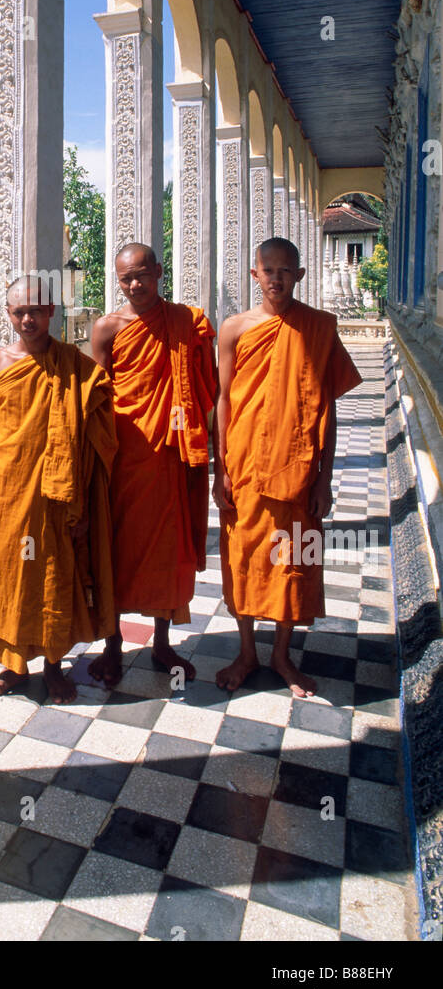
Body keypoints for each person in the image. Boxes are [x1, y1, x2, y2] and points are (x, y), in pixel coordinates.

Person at [213, 237, 362, 698]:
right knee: (242, 558)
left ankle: (281, 654)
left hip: (298, 468)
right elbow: (223, 399)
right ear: (254, 275)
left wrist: (325, 476)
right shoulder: (234, 329)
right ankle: (246, 652)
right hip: (244, 466)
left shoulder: (319, 327)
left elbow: (327, 406)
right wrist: (220, 470)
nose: (276, 278)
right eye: (267, 270)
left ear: (298, 275)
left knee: (293, 558)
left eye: (285, 270)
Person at [0, 274, 117, 704]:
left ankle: (53, 665)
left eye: (36, 310)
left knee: (53, 572)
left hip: (55, 489)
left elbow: (101, 410)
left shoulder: (74, 364)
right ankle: (13, 666)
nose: (28, 319)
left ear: (51, 310)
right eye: (19, 312)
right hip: (7, 487)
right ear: (8, 314)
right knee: (8, 576)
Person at [88, 244, 216, 689]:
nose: (135, 285)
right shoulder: (106, 329)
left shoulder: (185, 322)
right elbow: (94, 399)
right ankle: (112, 645)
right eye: (126, 279)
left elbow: (208, 388)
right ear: (117, 280)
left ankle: (162, 643)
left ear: (159, 272)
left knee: (167, 551)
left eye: (142, 275)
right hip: (123, 459)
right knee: (117, 551)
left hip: (170, 458)